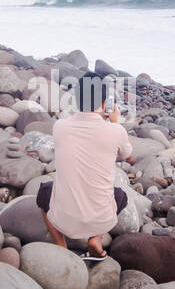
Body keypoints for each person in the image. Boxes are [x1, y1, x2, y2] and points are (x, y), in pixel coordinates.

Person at [36, 71, 134, 259]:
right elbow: (128, 155)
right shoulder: (116, 131)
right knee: (120, 196)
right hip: (101, 220)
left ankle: (61, 244)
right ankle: (95, 239)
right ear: (105, 104)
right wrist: (115, 122)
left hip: (63, 219)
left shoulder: (60, 127)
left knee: (43, 193)